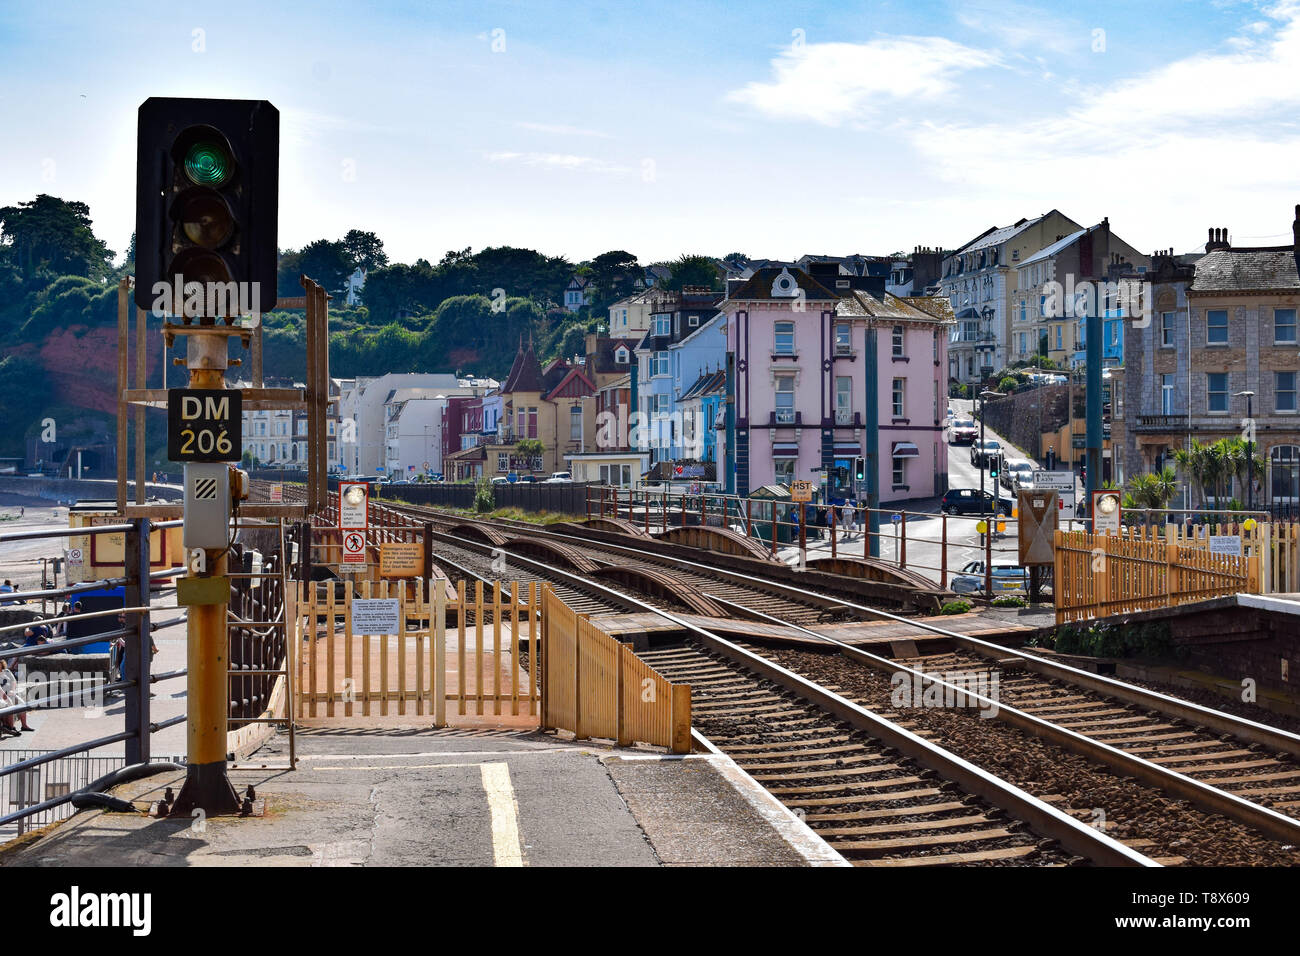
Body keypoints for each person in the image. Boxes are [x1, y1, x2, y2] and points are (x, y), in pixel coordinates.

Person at [0, 658, 33, 734]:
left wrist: (12, 690)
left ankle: (24, 726)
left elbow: (13, 681)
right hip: (2, 696)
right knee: (10, 706)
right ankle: (11, 727)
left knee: (22, 705)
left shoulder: (7, 671)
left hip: (10, 693)